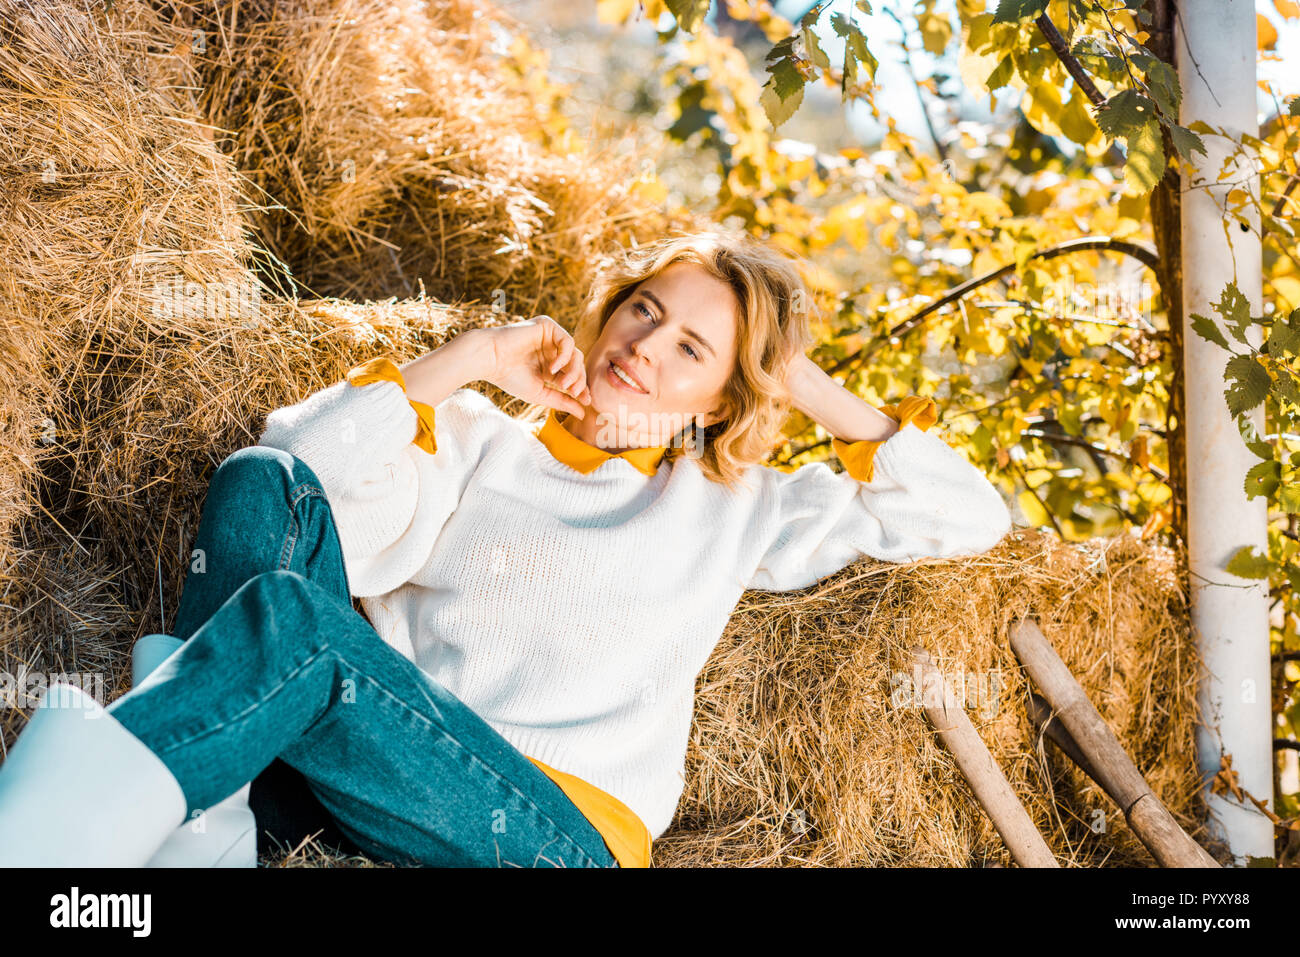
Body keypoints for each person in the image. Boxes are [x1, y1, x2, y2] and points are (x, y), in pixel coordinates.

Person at [0, 229, 1013, 868]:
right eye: (642, 312)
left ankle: (49, 849)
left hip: (545, 836)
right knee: (259, 486)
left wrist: (805, 384)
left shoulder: (742, 504)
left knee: (301, 631)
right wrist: (473, 361)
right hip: (372, 776)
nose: (643, 348)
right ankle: (194, 829)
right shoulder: (483, 445)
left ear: (729, 393)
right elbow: (294, 459)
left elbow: (969, 519)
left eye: (691, 351)